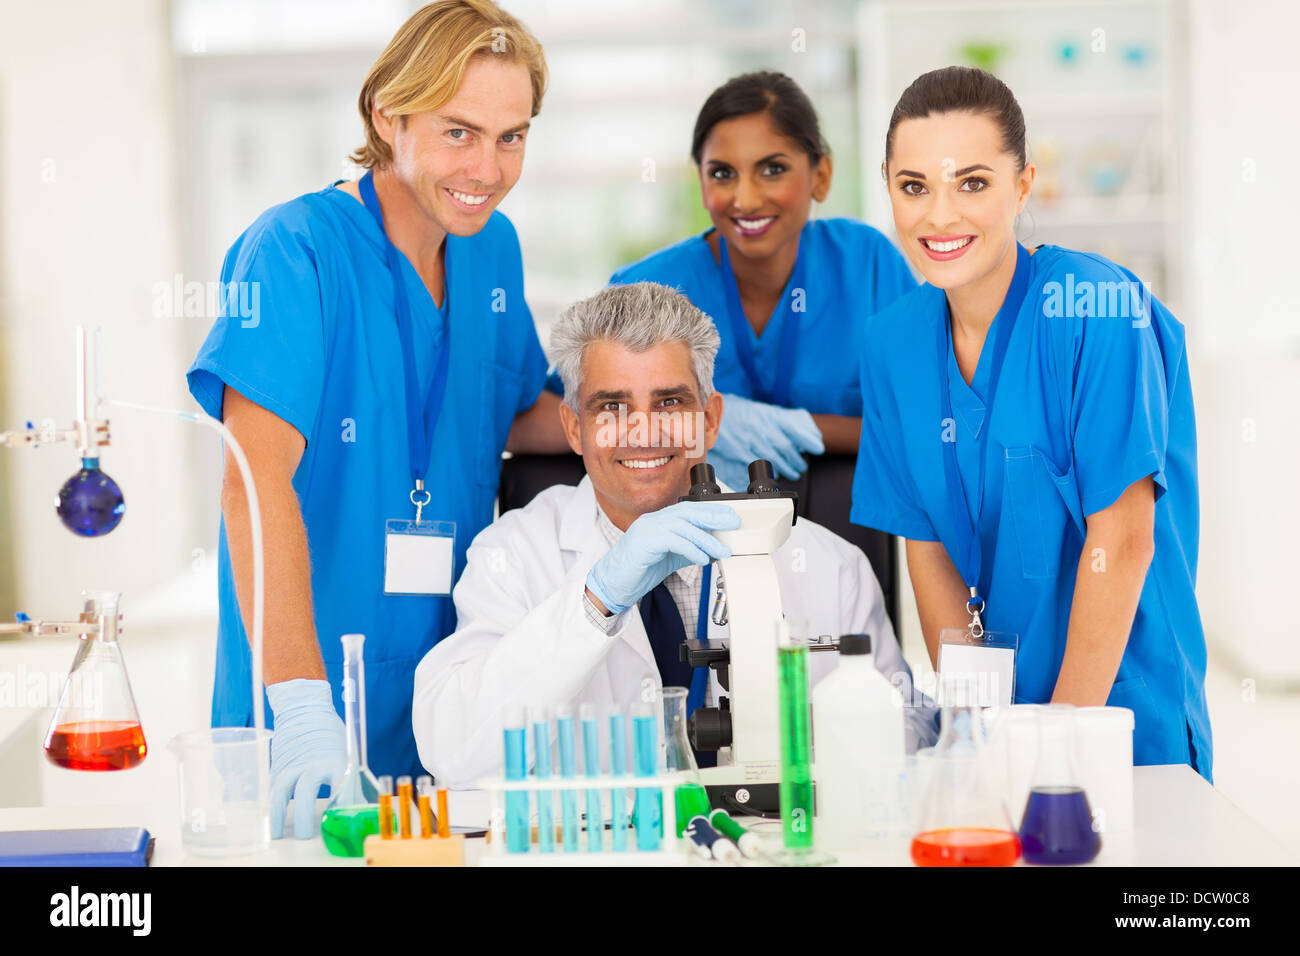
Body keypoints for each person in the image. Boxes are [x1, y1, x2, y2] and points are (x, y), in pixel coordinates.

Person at [185, 0, 568, 839]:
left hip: (446, 709)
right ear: (386, 115)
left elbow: (514, 409)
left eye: (513, 136)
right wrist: (301, 710)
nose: (489, 168)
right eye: (458, 132)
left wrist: (636, 424)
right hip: (307, 716)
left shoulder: (491, 247)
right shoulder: (294, 251)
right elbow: (252, 486)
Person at [413, 282, 936, 788]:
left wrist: (794, 742)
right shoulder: (513, 555)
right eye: (612, 407)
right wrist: (597, 599)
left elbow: (903, 742)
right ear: (574, 429)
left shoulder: (827, 565)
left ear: (710, 421)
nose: (643, 431)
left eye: (669, 403)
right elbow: (456, 752)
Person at [851, 66, 1211, 778]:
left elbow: (1124, 538)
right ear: (888, 185)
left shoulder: (1096, 310)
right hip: (1000, 731)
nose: (941, 216)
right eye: (914, 186)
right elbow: (926, 549)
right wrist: (974, 730)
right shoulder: (892, 344)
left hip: (1123, 716)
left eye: (974, 183)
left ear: (1022, 186)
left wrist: (1056, 756)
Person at [604, 71, 916, 491]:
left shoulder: (867, 263)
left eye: (772, 169)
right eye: (722, 173)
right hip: (691, 528)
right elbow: (589, 419)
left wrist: (798, 429)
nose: (746, 199)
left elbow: (925, 422)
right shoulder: (645, 287)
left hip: (850, 526)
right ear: (701, 181)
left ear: (821, 175)